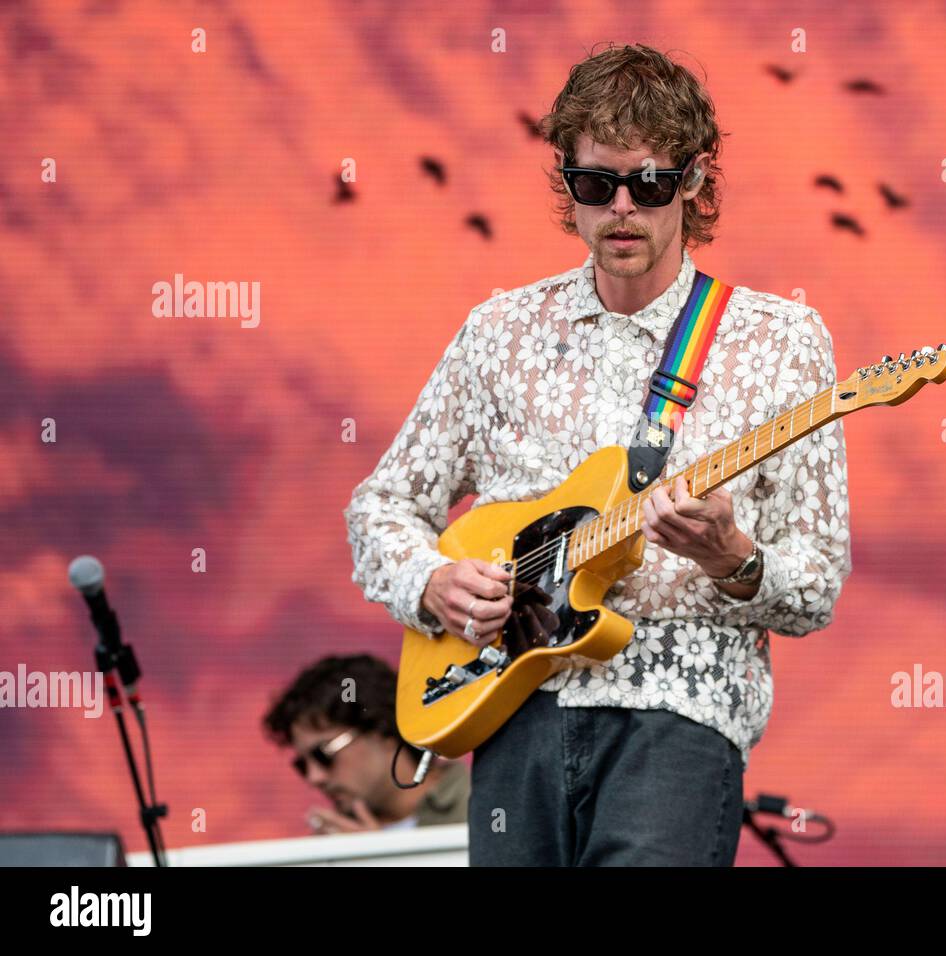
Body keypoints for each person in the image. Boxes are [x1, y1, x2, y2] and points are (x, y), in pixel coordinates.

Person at [344, 43, 851, 865]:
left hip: (680, 716)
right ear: (565, 182)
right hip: (511, 713)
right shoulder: (500, 332)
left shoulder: (782, 342)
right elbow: (382, 505)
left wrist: (735, 558)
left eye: (650, 183)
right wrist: (431, 581)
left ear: (692, 180)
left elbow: (817, 583)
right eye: (595, 184)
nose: (622, 208)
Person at [262, 654, 469, 833]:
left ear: (382, 731)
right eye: (301, 765)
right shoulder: (334, 837)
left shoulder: (482, 804)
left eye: (322, 754)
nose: (314, 777)